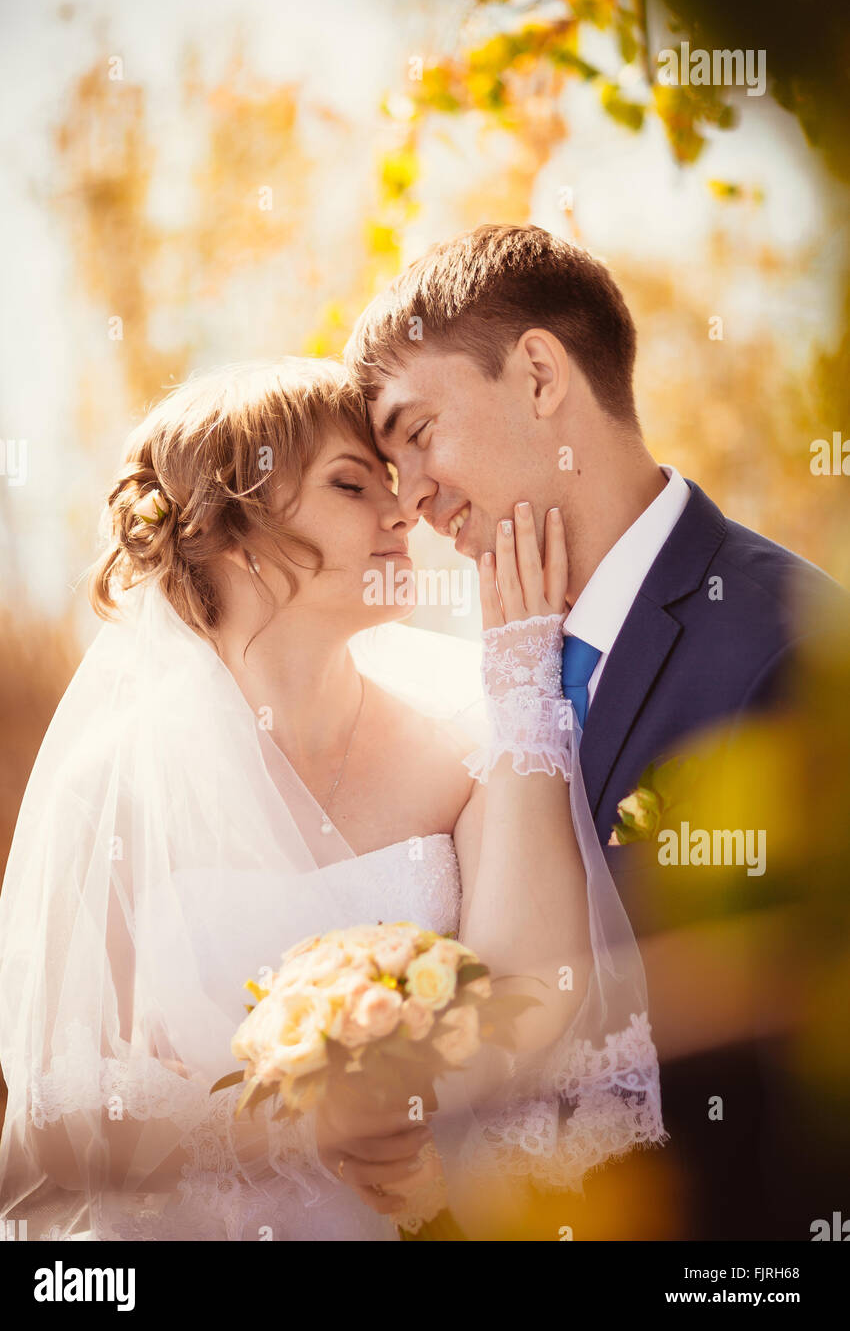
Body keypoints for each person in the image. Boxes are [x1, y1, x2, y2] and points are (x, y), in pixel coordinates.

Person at [0, 358, 663, 1242]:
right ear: (236, 533)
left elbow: (529, 997)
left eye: (393, 485)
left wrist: (430, 1127)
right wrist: (281, 1125)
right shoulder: (110, 789)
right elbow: (69, 1106)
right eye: (353, 486)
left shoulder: (466, 734)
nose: (403, 512)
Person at [343, 222, 850, 1238]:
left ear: (538, 375)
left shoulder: (787, 643)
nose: (414, 498)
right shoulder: (478, 686)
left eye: (418, 431)